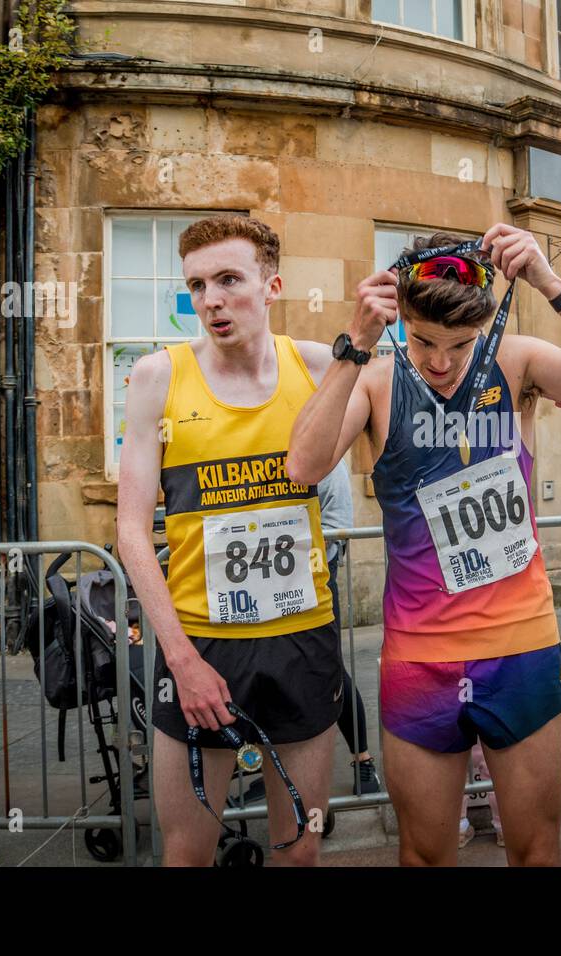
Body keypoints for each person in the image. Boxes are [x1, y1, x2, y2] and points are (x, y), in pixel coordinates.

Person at [286, 223, 561, 866]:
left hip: (522, 649)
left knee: (537, 849)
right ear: (402, 320)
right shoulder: (375, 379)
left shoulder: (516, 360)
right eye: (424, 340)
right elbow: (304, 466)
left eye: (461, 344)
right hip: (420, 660)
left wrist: (547, 279)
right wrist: (355, 345)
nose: (441, 363)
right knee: (425, 854)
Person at [116, 215, 343, 866]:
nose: (210, 299)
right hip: (202, 647)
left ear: (272, 285)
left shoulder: (322, 366)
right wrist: (181, 659)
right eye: (195, 285)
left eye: (227, 279)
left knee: (300, 850)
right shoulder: (158, 377)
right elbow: (131, 529)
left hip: (303, 640)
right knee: (187, 854)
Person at [316, 457, 381, 795]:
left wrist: (318, 559)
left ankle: (363, 760)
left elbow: (339, 518)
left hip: (315, 579)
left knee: (329, 670)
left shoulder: (323, 449)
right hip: (260, 587)